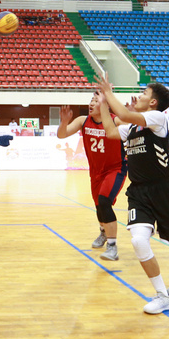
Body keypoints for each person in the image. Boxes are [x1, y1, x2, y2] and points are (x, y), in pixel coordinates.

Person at [95, 74, 169, 314]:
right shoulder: (131, 128)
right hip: (138, 191)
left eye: (143, 94)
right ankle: (163, 295)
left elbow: (126, 115)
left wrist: (109, 92)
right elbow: (110, 131)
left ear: (153, 103)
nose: (138, 96)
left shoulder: (158, 118)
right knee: (139, 241)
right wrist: (104, 104)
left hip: (162, 191)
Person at [57, 92, 127, 261]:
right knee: (98, 206)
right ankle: (103, 232)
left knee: (104, 201)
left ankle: (112, 247)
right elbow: (61, 135)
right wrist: (64, 121)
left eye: (96, 101)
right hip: (95, 171)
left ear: (105, 105)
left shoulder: (114, 120)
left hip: (115, 169)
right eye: (91, 101)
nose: (92, 103)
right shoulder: (83, 121)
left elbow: (129, 126)